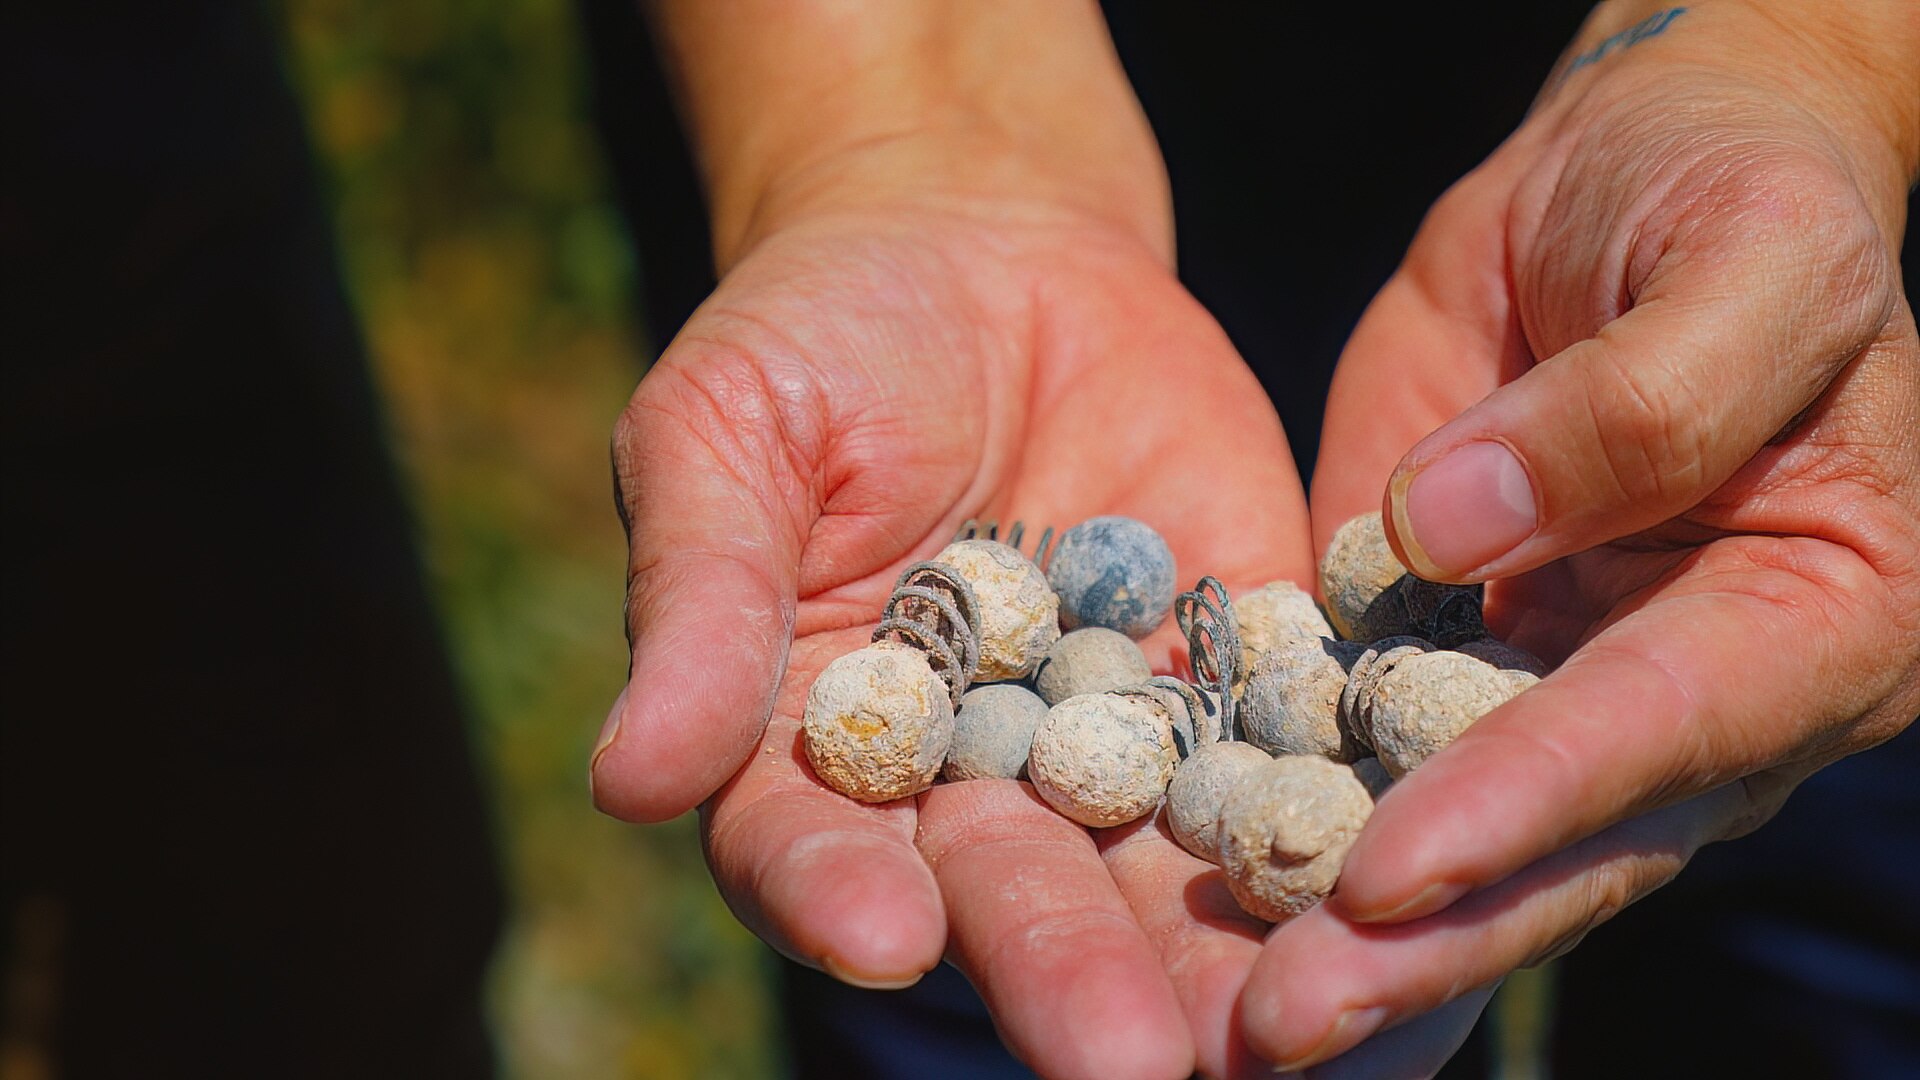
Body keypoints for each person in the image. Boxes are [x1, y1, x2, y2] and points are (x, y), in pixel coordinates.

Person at [590, 2, 1920, 1077]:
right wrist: (885, 132)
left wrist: (1801, 46)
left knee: (1793, 914)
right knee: (967, 975)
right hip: (1025, 108)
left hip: (1701, 243)